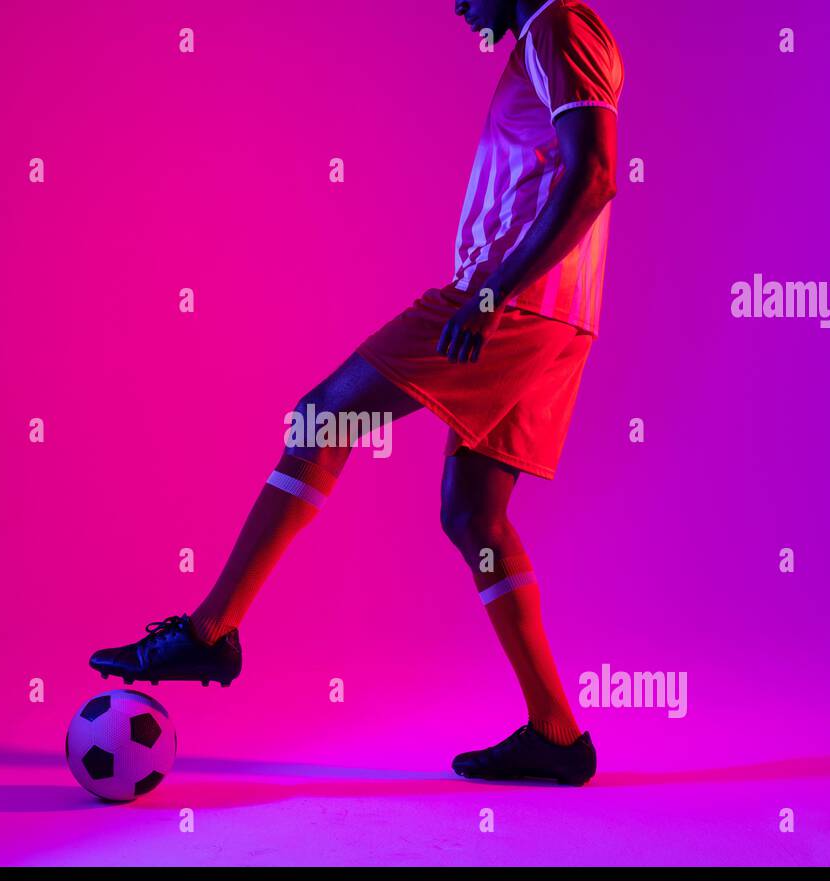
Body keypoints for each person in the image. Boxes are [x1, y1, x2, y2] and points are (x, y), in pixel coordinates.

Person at [91, 0, 623, 786]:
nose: (456, 4)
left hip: (508, 303)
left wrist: (489, 295)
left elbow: (597, 173)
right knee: (473, 514)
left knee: (322, 416)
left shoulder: (559, 21)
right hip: (556, 317)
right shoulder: (553, 31)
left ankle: (211, 630)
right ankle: (556, 731)